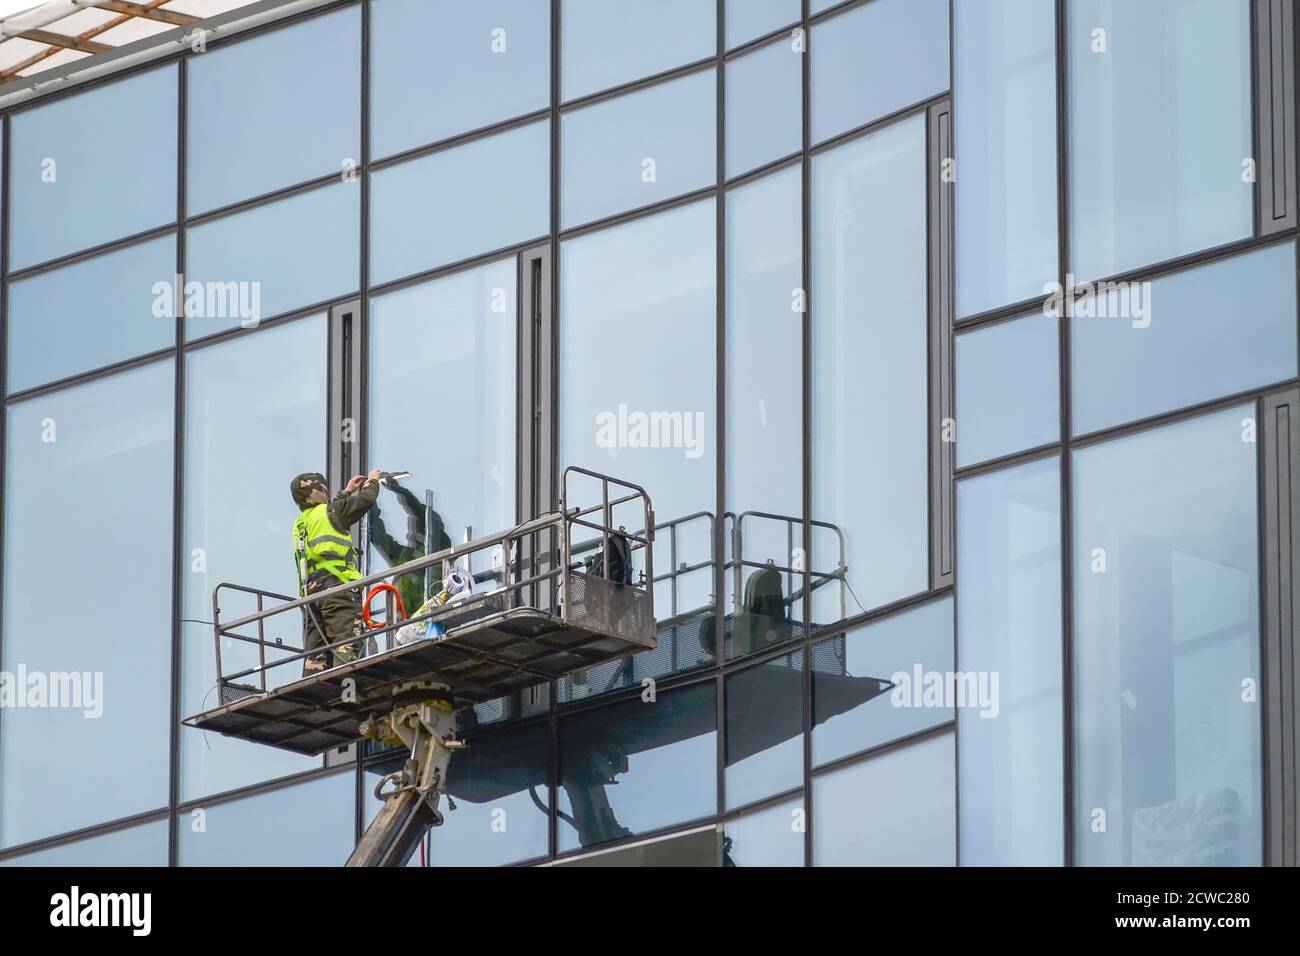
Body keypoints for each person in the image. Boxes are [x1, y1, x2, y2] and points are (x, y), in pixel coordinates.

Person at [290, 469, 383, 674]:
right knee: (346, 641)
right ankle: (346, 684)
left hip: (311, 594)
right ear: (321, 490)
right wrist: (373, 482)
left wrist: (347, 492)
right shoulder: (328, 513)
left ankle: (315, 691)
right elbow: (365, 501)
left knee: (316, 652)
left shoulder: (302, 522)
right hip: (336, 587)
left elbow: (333, 512)